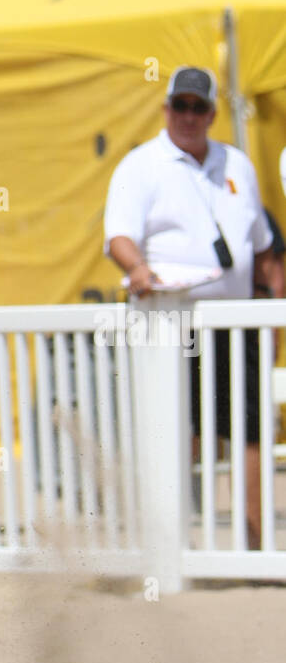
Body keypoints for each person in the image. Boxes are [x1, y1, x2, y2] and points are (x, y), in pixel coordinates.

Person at [104, 65, 280, 549]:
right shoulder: (139, 165)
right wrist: (137, 268)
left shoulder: (238, 165)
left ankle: (255, 546)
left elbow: (263, 249)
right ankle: (169, 547)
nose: (187, 115)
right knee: (176, 434)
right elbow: (118, 235)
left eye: (197, 106)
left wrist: (273, 314)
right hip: (171, 323)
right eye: (179, 105)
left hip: (238, 322)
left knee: (249, 432)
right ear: (165, 109)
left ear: (212, 113)